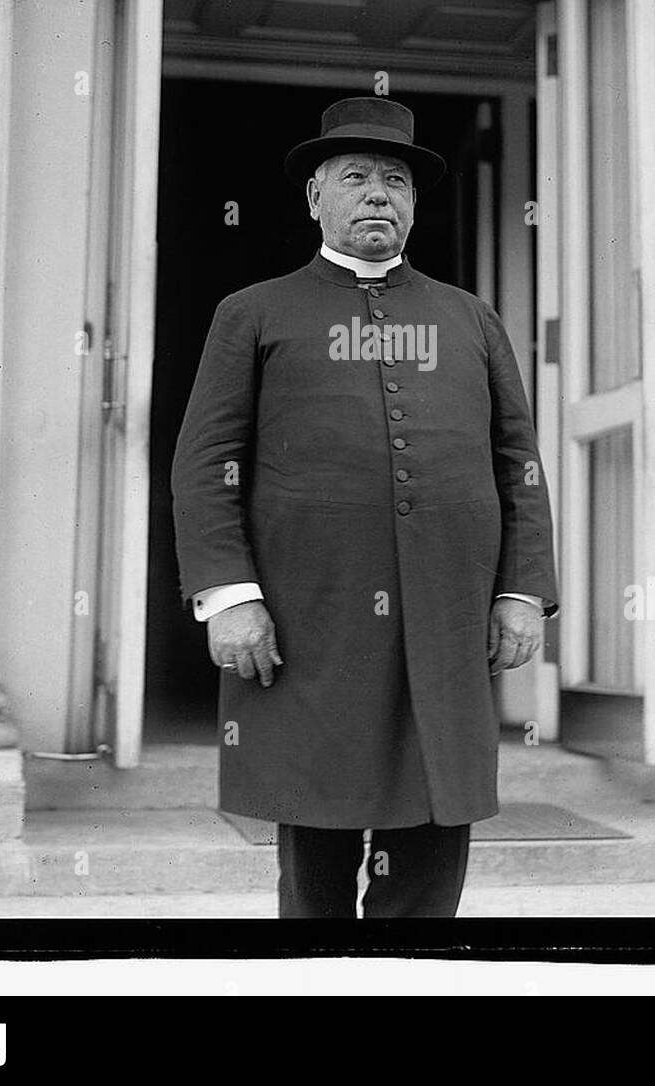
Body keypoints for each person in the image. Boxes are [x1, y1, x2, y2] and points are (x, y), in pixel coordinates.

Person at [171, 95, 558, 918]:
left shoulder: (471, 319)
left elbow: (517, 462)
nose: (379, 195)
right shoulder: (252, 313)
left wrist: (522, 590)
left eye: (396, 181)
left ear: (416, 204)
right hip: (309, 622)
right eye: (356, 178)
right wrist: (230, 598)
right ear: (316, 198)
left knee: (432, 833)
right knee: (316, 843)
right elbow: (206, 463)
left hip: (445, 617)